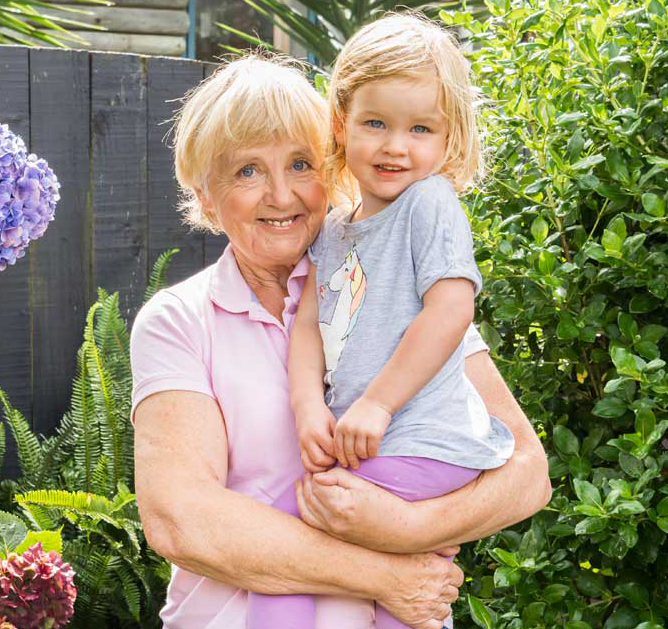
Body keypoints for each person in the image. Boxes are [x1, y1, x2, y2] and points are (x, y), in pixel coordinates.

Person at [129, 52, 552, 629]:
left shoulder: (408, 295)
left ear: (331, 166)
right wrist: (388, 576)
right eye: (247, 171)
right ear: (205, 195)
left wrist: (405, 529)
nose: (281, 195)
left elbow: (527, 475)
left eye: (301, 164)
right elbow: (184, 521)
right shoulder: (178, 321)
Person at [247, 14, 513, 629]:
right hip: (375, 444)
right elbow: (308, 323)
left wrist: (377, 405)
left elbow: (451, 310)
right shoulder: (335, 227)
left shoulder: (430, 202)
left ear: (450, 138)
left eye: (420, 128)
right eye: (376, 124)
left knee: (304, 537)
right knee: (382, 590)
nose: (396, 145)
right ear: (340, 122)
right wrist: (308, 407)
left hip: (423, 439)